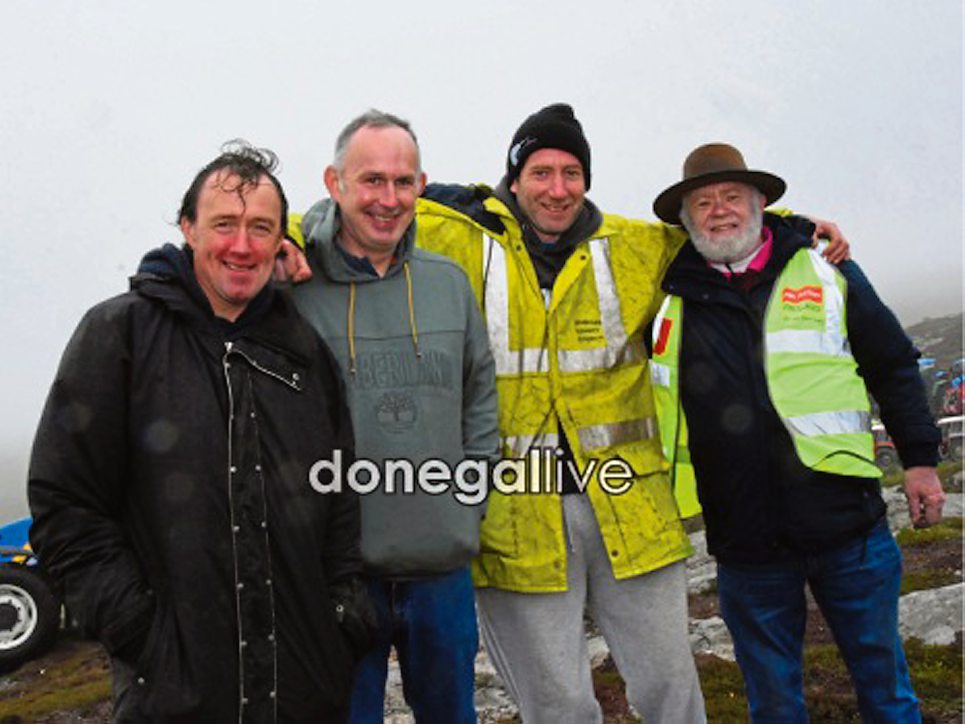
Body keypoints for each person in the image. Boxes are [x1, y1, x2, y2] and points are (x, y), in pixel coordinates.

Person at [282, 104, 847, 724]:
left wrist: (796, 227)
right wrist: (290, 235)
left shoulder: (632, 247)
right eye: (542, 171)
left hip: (629, 513)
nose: (558, 189)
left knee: (669, 690)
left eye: (572, 172)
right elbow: (319, 217)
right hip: (518, 519)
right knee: (557, 705)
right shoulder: (458, 236)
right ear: (515, 178)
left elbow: (721, 231)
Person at [28, 143, 368, 722]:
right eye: (224, 224)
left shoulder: (303, 352)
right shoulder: (121, 335)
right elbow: (67, 503)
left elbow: (339, 495)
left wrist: (343, 614)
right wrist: (138, 630)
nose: (242, 245)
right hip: (173, 690)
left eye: (261, 227)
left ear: (280, 240)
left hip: (306, 685)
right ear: (187, 228)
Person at [649, 142, 945, 722]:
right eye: (702, 203)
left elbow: (892, 364)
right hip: (745, 547)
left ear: (761, 203)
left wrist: (920, 461)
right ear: (684, 222)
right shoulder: (666, 296)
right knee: (775, 706)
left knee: (886, 692)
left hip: (850, 532)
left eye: (733, 196)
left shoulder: (825, 268)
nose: (719, 211)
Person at [286, 111, 499, 723]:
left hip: (440, 568)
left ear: (422, 185)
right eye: (371, 180)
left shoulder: (448, 282)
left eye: (403, 182)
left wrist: (471, 497)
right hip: (338, 574)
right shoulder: (293, 286)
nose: (388, 198)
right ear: (335, 182)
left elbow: (478, 392)